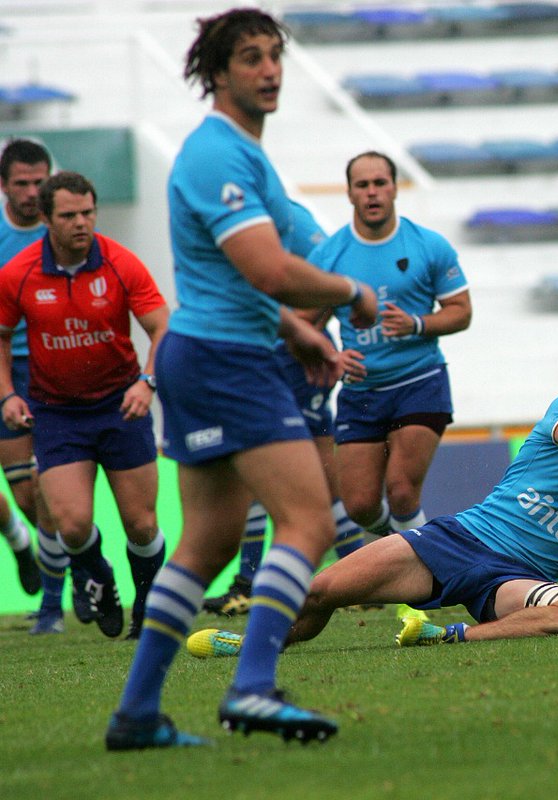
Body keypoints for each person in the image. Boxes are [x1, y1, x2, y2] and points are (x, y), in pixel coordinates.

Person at [106, 8, 378, 751]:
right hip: (225, 361)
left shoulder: (241, 155)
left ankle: (135, 714)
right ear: (217, 73)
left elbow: (233, 281)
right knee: (311, 521)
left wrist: (295, 332)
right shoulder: (217, 154)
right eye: (250, 58)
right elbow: (266, 270)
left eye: (274, 56)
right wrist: (349, 296)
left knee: (207, 545)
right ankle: (253, 688)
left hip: (206, 352)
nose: (268, 69)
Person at [188, 345, 558, 654]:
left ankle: (444, 637)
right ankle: (247, 646)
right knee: (321, 591)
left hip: (515, 580)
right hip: (454, 542)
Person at [0, 171, 169, 643]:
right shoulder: (20, 273)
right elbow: (0, 336)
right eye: (69, 215)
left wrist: (148, 382)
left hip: (121, 406)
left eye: (88, 213)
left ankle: (148, 606)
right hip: (56, 413)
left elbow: (161, 327)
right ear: (47, 219)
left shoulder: (119, 263)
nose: (81, 223)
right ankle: (99, 578)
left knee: (141, 524)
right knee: (71, 527)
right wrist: (8, 395)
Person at [202, 199, 366, 616]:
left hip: (293, 362)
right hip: (263, 358)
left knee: (305, 481)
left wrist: (301, 336)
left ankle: (350, 574)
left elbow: (328, 282)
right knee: (271, 479)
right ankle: (345, 574)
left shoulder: (295, 222)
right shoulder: (242, 221)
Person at [309, 150, 471, 539]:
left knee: (401, 490)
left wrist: (417, 324)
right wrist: (331, 354)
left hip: (420, 381)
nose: (372, 193)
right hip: (361, 390)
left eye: (380, 183)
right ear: (348, 194)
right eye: (362, 185)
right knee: (361, 507)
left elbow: (461, 311)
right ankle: (396, 550)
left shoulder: (428, 245)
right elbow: (302, 325)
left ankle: (419, 584)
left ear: (395, 188)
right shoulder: (328, 256)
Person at [0, 139, 48, 603]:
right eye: (22, 183)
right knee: (23, 494)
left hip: (46, 361)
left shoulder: (65, 228)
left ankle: (76, 560)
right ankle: (18, 542)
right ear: (4, 186)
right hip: (1, 362)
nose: (32, 191)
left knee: (42, 489)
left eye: (40, 182)